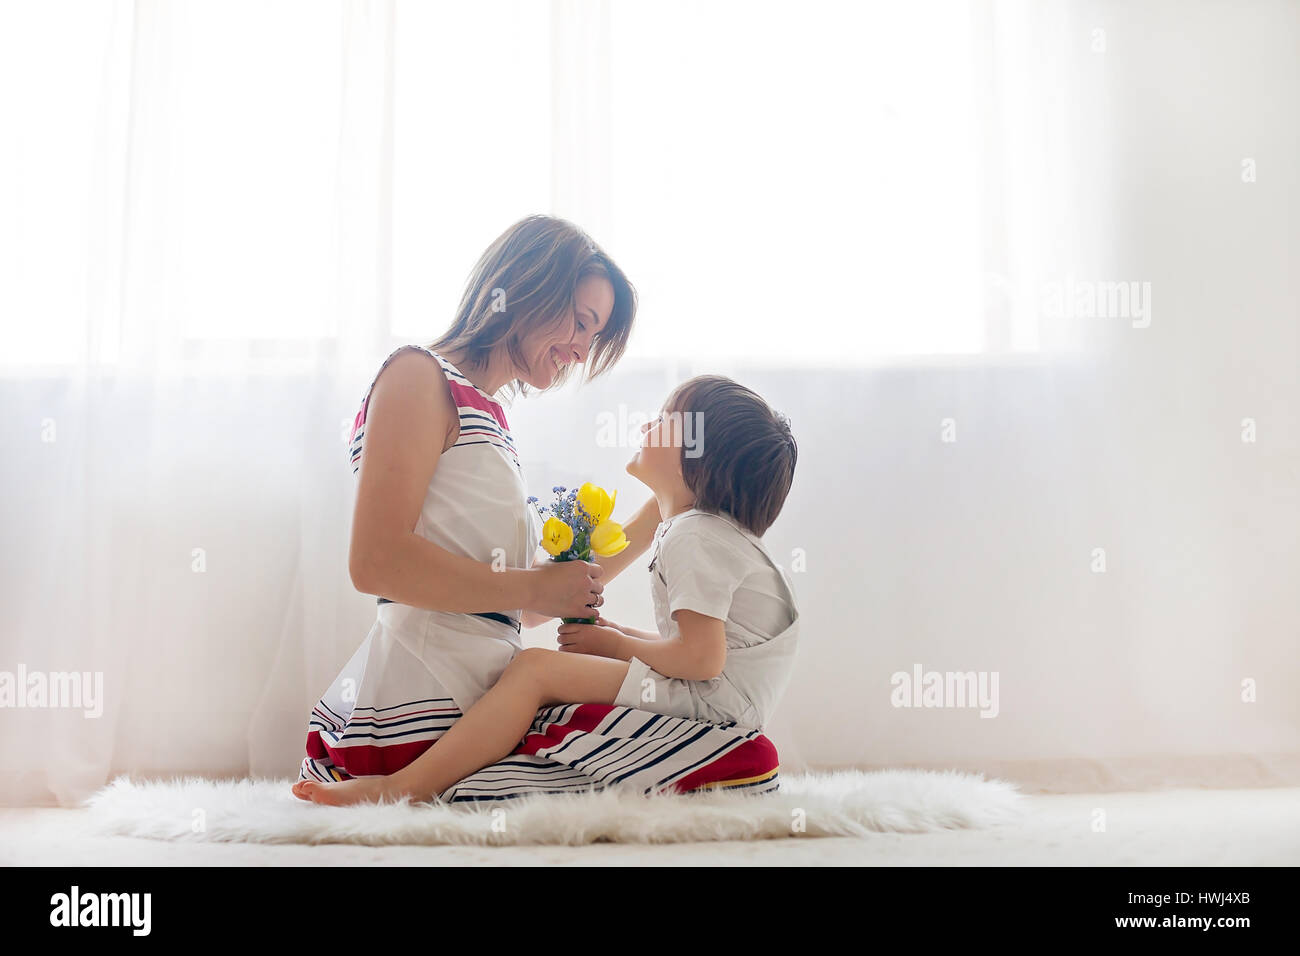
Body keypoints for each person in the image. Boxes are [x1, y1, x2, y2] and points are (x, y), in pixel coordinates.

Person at [293, 374, 800, 805]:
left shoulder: (695, 534)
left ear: (699, 458)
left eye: (667, 419)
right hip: (720, 693)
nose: (646, 424)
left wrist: (618, 645)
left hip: (716, 703)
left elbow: (703, 660)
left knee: (534, 670)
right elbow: (644, 575)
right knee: (544, 680)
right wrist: (594, 615)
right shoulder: (691, 524)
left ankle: (403, 787)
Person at [295, 214, 656, 785]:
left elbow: (520, 607)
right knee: (689, 743)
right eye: (582, 323)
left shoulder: (486, 411)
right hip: (427, 691)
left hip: (480, 685)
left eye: (594, 337)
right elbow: (376, 563)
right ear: (529, 287)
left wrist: (658, 512)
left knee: (692, 731)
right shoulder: (419, 375)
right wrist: (533, 586)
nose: (582, 351)